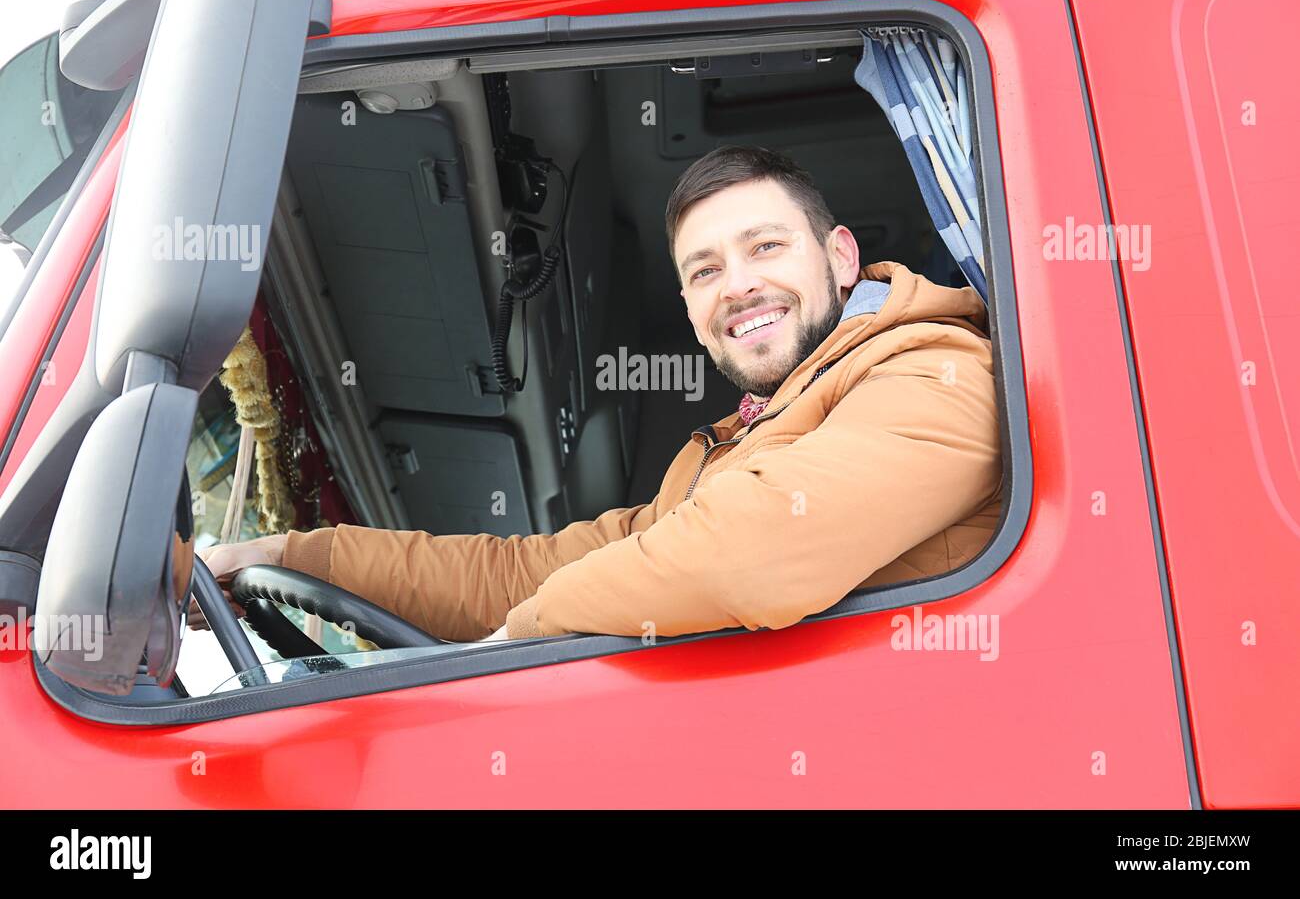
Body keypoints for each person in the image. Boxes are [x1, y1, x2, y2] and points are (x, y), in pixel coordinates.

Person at [194, 144, 1002, 642]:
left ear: (841, 256)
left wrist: (523, 641)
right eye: (706, 270)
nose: (741, 286)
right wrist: (285, 555)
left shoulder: (937, 370)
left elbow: (751, 554)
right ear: (689, 309)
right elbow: (529, 572)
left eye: (766, 247)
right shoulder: (738, 444)